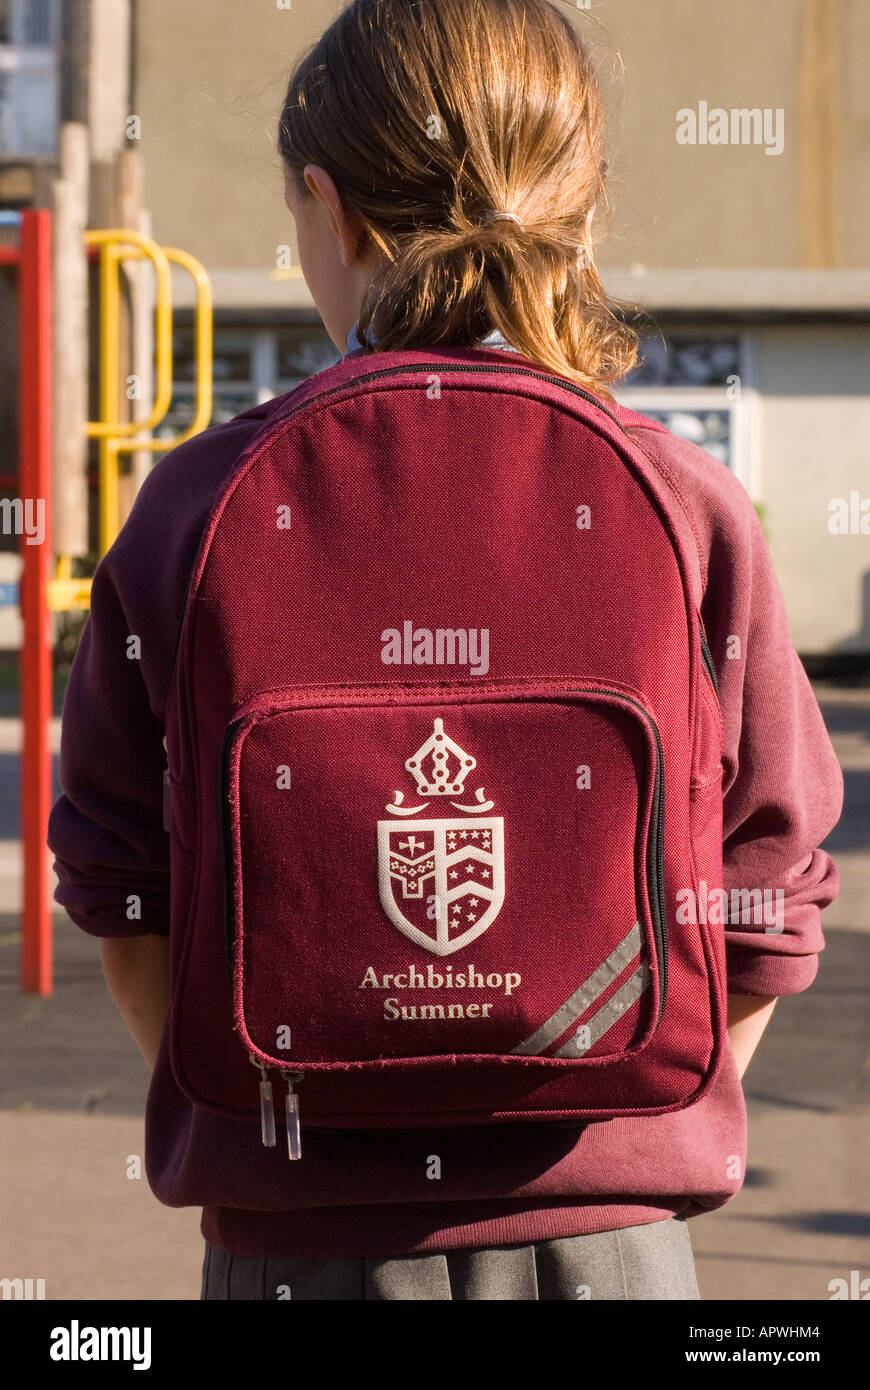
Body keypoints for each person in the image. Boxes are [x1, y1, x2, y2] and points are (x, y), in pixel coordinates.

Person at [47, 0, 843, 1301]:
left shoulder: (200, 506)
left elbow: (119, 875)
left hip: (298, 1246)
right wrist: (610, 1115)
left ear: (327, 205)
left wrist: (280, 1113)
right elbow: (767, 889)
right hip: (611, 1242)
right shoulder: (677, 500)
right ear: (583, 209)